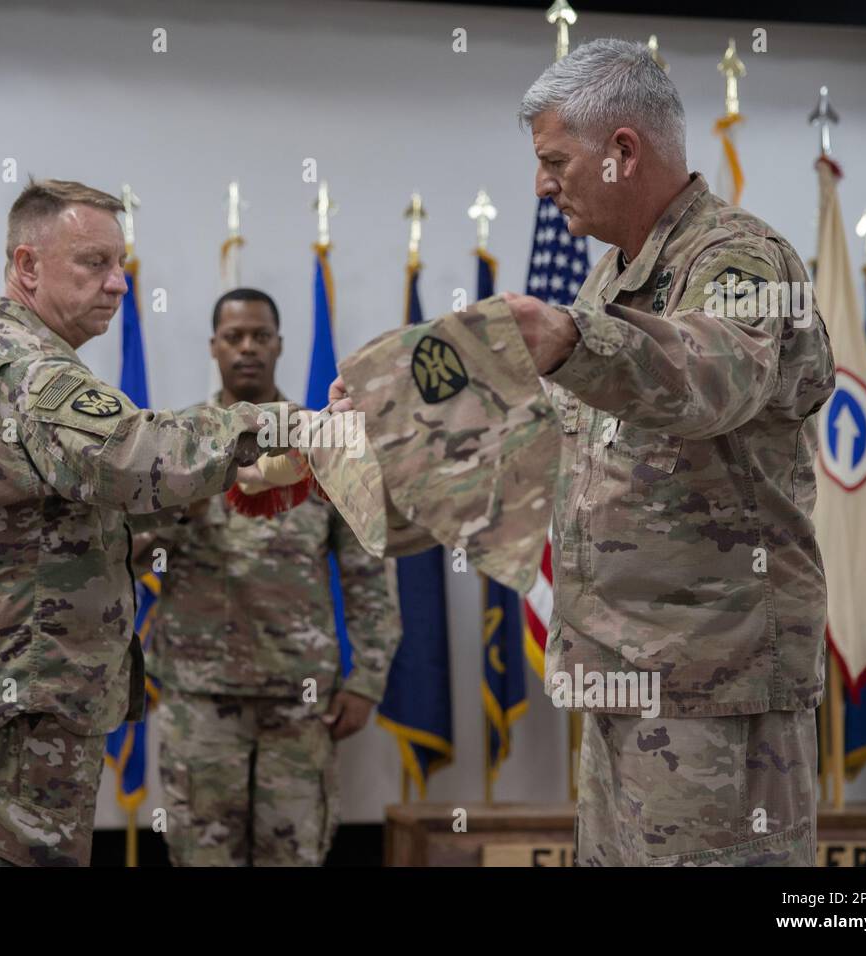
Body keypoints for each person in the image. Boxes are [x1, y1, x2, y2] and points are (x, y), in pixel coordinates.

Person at [332, 38, 834, 866]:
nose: (541, 183)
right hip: (618, 679)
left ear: (622, 151)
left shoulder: (738, 258)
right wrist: (373, 454)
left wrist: (566, 336)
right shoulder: (608, 282)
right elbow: (543, 459)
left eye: (554, 160)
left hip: (715, 688)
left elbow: (713, 377)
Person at [0, 179, 291, 867]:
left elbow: (62, 528)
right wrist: (286, 424)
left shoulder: (15, 366)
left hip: (11, 702)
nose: (118, 284)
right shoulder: (23, 374)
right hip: (14, 711)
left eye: (121, 265)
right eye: (94, 263)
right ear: (27, 266)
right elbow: (139, 455)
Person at [138, 288, 401, 866]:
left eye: (261, 335)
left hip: (298, 698)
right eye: (234, 337)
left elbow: (366, 568)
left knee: (294, 856)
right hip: (198, 695)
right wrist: (179, 505)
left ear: (280, 345)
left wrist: (367, 680)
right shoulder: (176, 441)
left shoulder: (320, 440)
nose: (248, 348)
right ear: (214, 347)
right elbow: (132, 553)